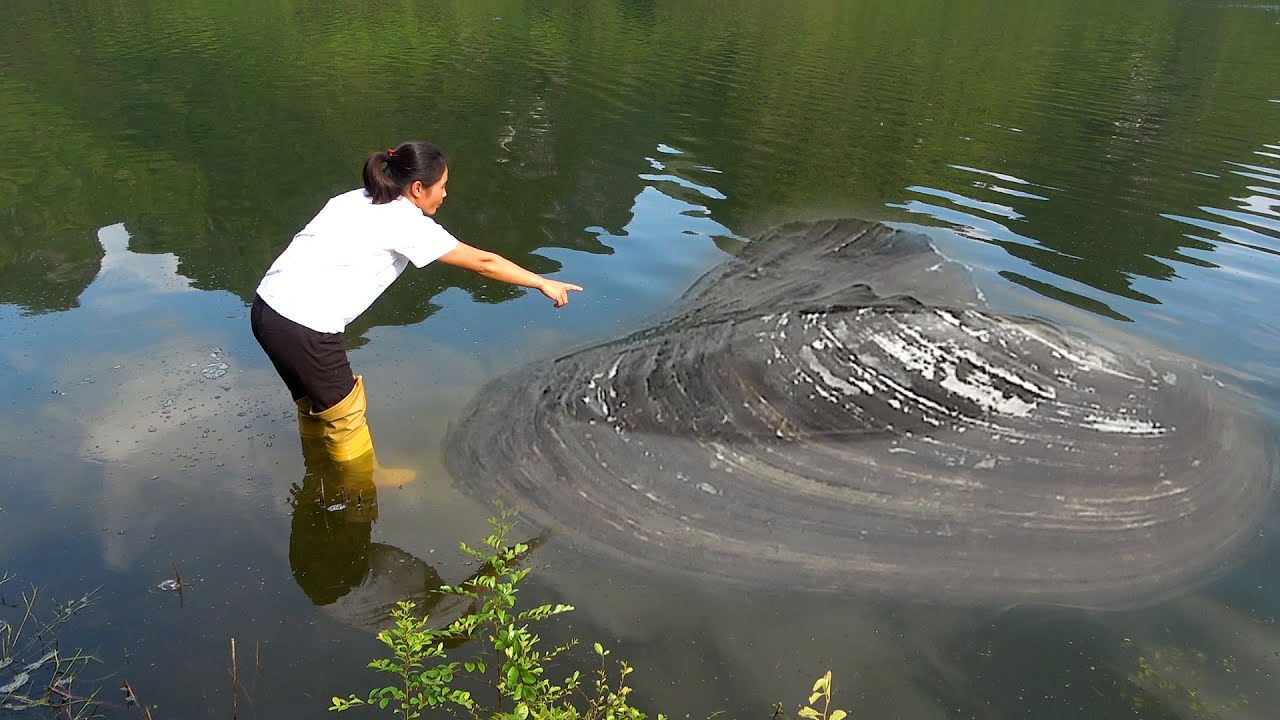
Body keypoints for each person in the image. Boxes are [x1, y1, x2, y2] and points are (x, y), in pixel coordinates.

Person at [251, 140, 581, 463]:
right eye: (443, 186)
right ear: (419, 188)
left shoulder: (355, 199)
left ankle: (320, 468)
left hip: (266, 310)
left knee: (317, 404)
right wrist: (542, 282)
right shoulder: (406, 223)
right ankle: (359, 489)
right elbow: (484, 263)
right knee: (344, 415)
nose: (446, 194)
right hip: (304, 326)